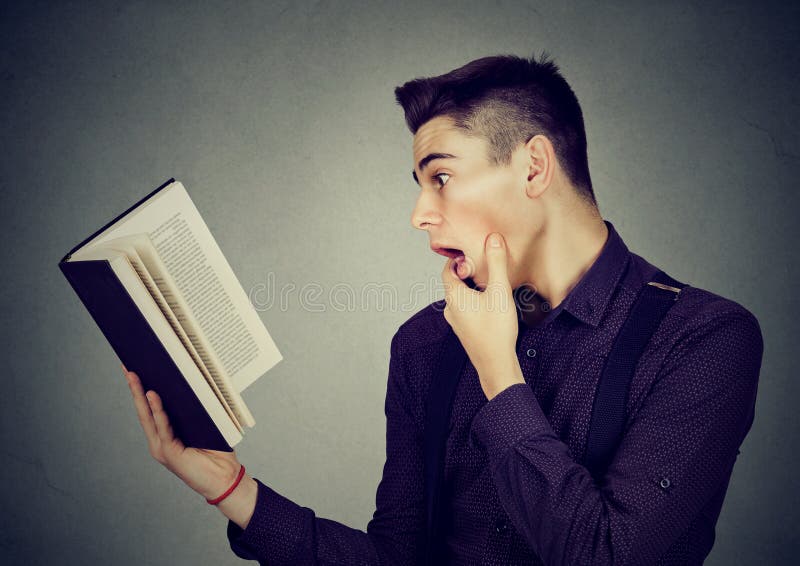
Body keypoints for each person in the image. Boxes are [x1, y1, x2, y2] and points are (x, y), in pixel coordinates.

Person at [122, 52, 764, 565]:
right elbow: (397, 558)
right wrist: (229, 490)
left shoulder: (703, 339)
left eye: (442, 177)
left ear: (534, 167)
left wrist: (499, 375)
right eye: (420, 185)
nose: (420, 214)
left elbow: (611, 556)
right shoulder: (428, 342)